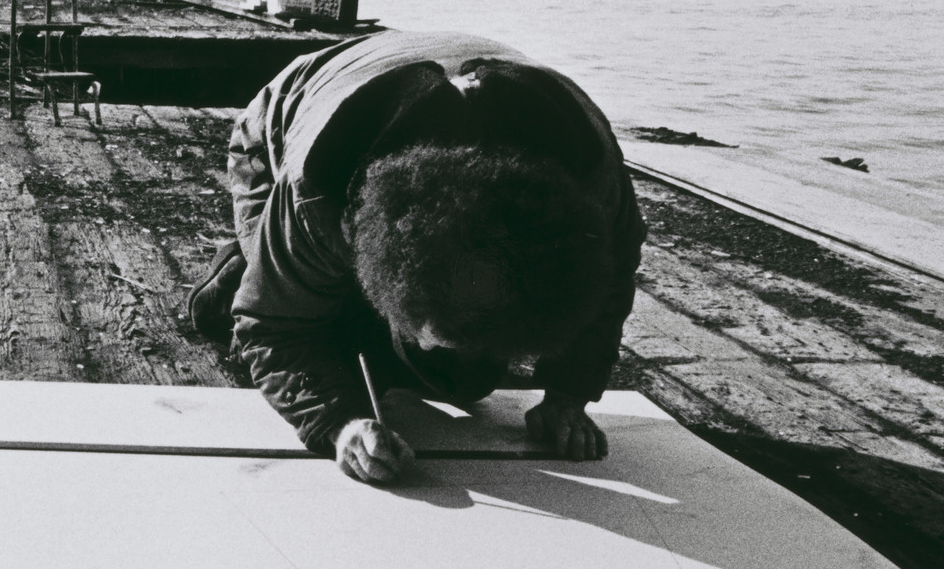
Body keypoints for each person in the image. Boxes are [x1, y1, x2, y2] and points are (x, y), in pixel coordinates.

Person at [189, 31, 644, 483]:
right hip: (289, 113)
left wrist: (568, 394)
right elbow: (274, 326)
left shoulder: (594, 184)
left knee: (465, 379)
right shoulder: (318, 187)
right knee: (300, 315)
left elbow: (609, 287)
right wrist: (338, 421)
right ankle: (242, 273)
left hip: (455, 84)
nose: (427, 345)